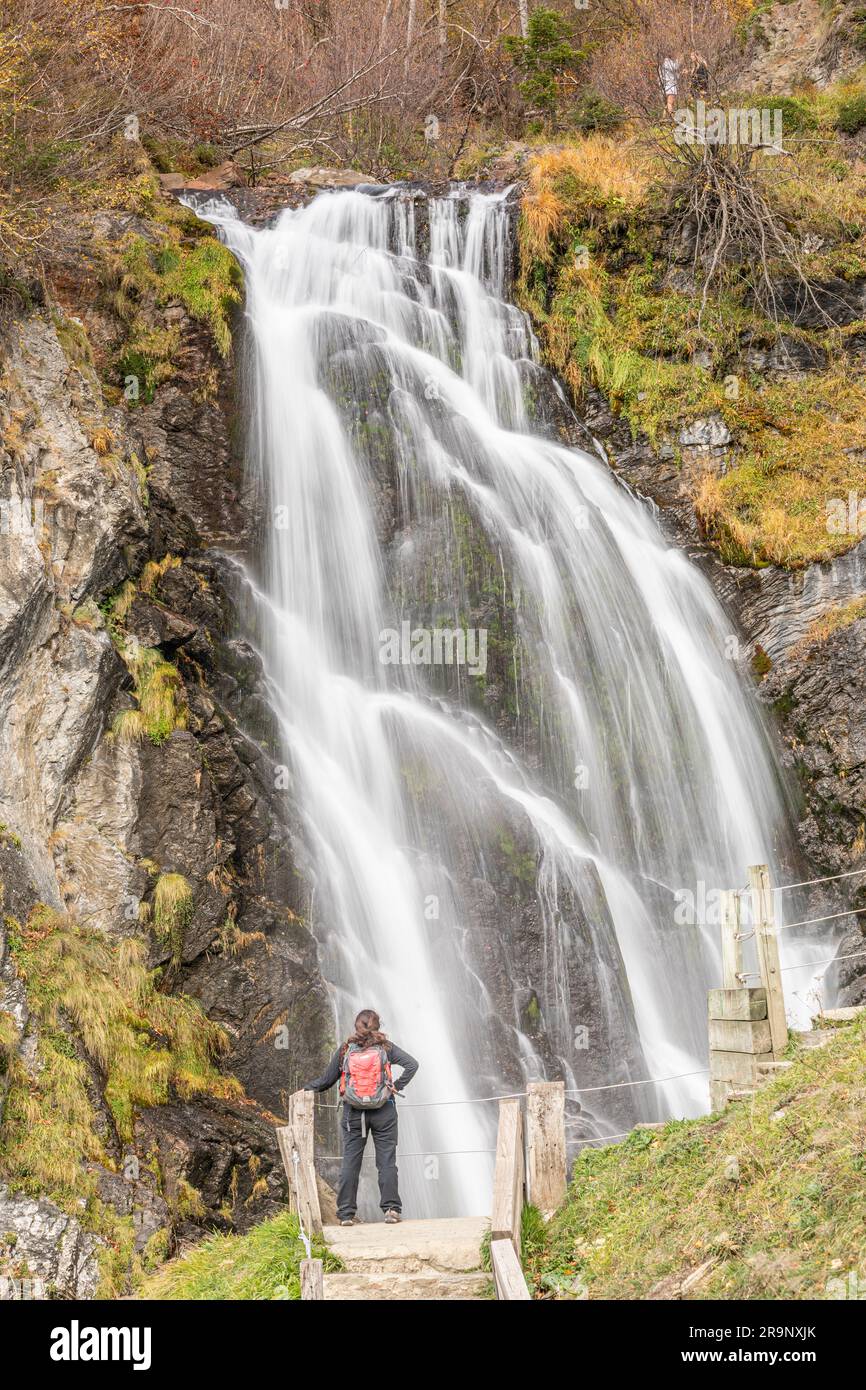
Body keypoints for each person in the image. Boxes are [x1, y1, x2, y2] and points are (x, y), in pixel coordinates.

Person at [304, 1009, 419, 1226]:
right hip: (384, 1111)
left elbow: (326, 1080)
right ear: (378, 1027)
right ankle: (391, 1209)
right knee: (386, 1162)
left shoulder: (346, 1050)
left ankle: (346, 1214)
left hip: (353, 1113)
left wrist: (305, 1090)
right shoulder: (386, 1048)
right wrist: (395, 1087)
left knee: (350, 1162)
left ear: (356, 1026)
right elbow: (412, 1065)